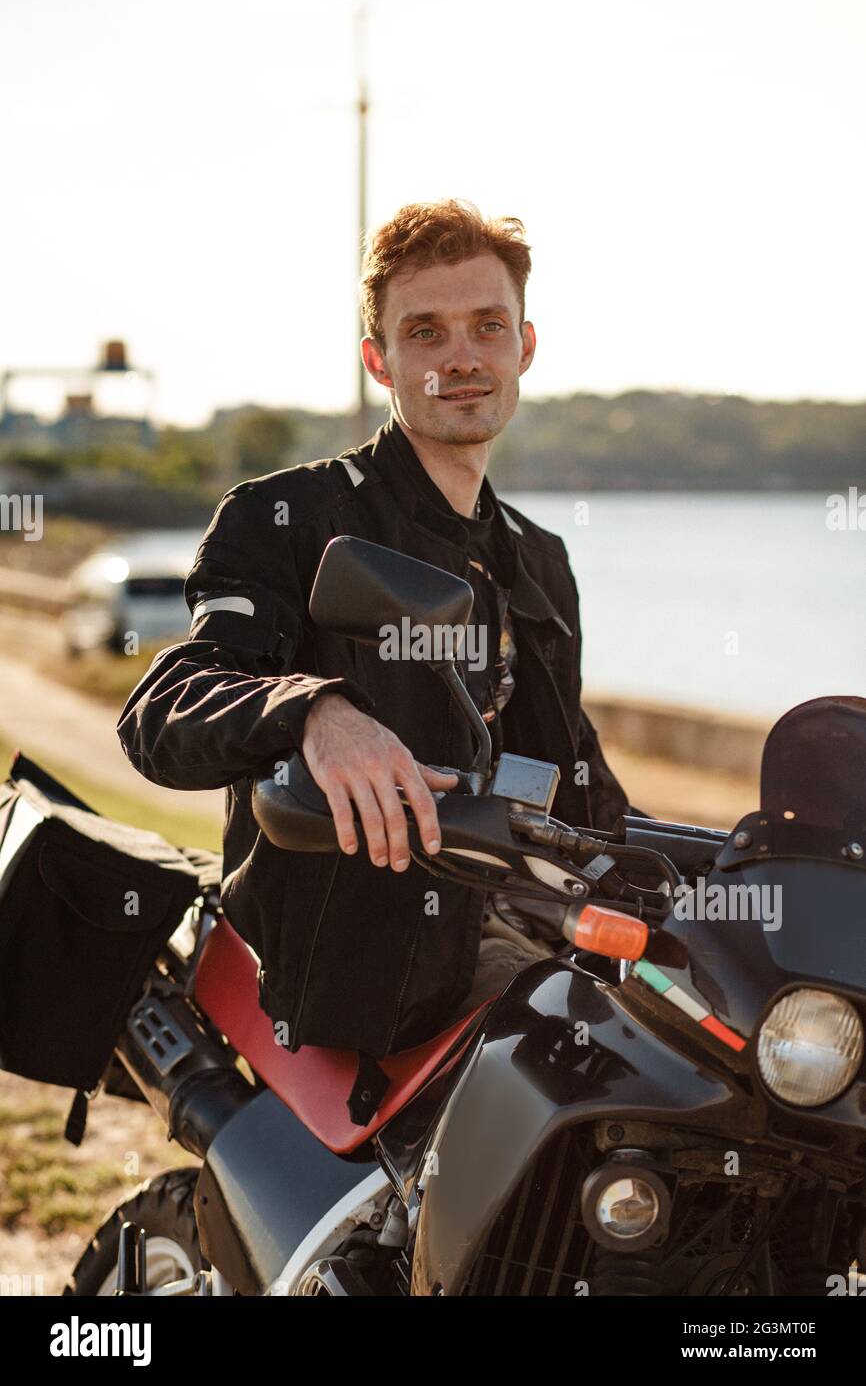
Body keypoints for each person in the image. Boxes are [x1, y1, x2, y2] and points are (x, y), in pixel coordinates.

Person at [117, 199, 636, 1104]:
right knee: (595, 1083)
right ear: (380, 361)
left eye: (487, 327)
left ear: (525, 346)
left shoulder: (539, 560)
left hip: (524, 922)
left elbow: (576, 778)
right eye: (425, 333)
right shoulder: (289, 517)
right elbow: (165, 705)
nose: (462, 357)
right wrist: (315, 712)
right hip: (355, 959)